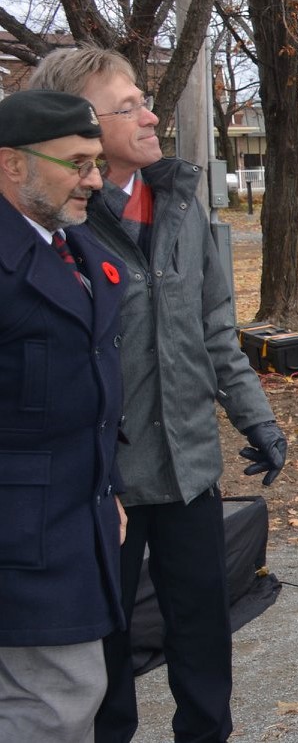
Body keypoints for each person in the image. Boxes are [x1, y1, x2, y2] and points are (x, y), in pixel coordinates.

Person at [29, 48, 289, 743]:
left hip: (189, 470)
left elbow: (213, 330)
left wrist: (256, 418)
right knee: (104, 656)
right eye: (129, 106)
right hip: (105, 486)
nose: (151, 115)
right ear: (79, 126)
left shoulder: (179, 201)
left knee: (203, 636)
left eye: (146, 100)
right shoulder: (61, 222)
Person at [0, 90, 128, 742]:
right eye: (77, 162)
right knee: (51, 708)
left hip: (71, 517)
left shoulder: (67, 247)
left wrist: (102, 486)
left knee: (70, 700)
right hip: (23, 540)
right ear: (12, 164)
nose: (95, 180)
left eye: (97, 161)